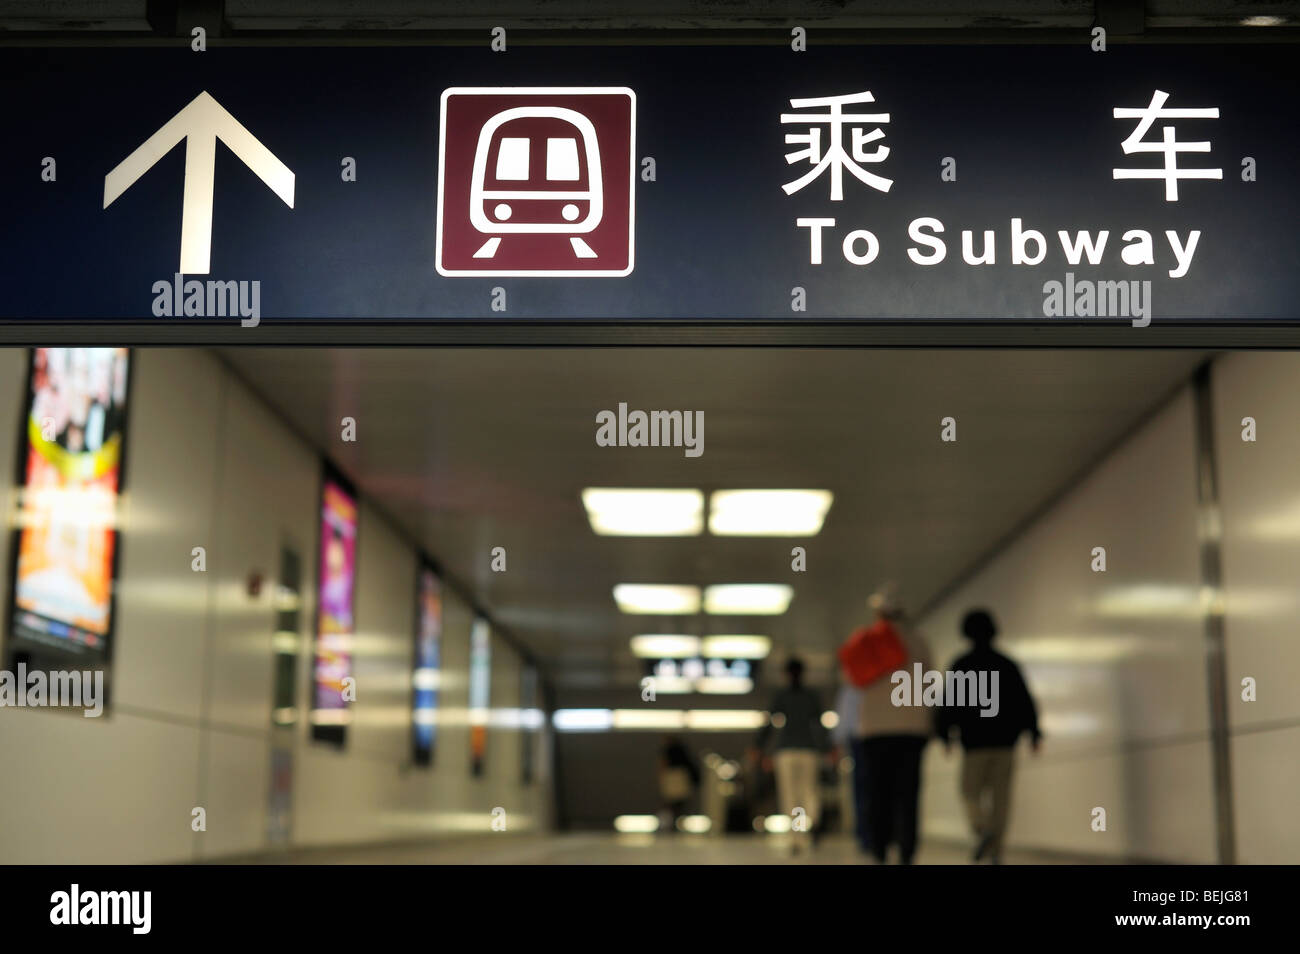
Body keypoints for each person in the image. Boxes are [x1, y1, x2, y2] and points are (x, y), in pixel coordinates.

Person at [935, 608, 1042, 865]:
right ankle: (996, 851)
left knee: (969, 792)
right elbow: (1024, 701)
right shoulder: (1007, 664)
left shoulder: (962, 665)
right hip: (1006, 742)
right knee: (1001, 799)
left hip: (975, 743)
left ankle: (982, 830)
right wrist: (1034, 733)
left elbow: (949, 703)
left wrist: (945, 735)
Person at [854, 583, 932, 864]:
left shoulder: (865, 641)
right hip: (911, 729)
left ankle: (879, 850)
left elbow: (854, 680)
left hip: (875, 731)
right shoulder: (918, 641)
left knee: (878, 793)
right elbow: (927, 685)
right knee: (908, 794)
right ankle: (907, 851)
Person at [753, 657, 829, 854]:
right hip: (808, 749)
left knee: (790, 794)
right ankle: (811, 823)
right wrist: (828, 747)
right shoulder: (811, 696)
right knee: (809, 791)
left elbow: (770, 723)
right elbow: (819, 725)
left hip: (786, 750)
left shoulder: (782, 695)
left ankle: (796, 837)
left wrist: (759, 746)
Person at [831, 680, 870, 855]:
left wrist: (838, 743)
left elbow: (844, 718)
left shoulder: (852, 686)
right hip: (869, 738)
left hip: (861, 739)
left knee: (862, 789)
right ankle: (869, 834)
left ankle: (866, 835)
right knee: (869, 788)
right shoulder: (854, 686)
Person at [657, 735, 700, 830]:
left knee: (673, 802)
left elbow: (663, 764)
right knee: (677, 803)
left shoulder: (669, 750)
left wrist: (662, 777)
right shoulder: (681, 751)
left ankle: (674, 823)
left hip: (674, 777)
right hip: (679, 777)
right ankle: (675, 822)